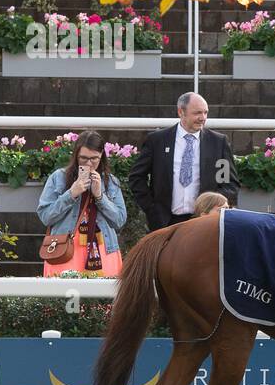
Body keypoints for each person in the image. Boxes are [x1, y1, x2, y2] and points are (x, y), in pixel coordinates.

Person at [128, 92, 240, 231]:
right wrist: (151, 208)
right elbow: (137, 177)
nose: (203, 118)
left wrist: (213, 209)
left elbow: (229, 183)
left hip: (203, 223)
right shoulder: (157, 140)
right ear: (181, 112)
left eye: (206, 113)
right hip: (164, 222)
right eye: (197, 113)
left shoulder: (218, 142)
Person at [37, 131, 128, 277]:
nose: (89, 163)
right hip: (65, 249)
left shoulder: (110, 181)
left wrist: (100, 196)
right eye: (83, 158)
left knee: (103, 299)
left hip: (104, 249)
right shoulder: (58, 177)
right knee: (64, 297)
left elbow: (120, 220)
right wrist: (71, 193)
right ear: (75, 156)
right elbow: (45, 216)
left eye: (94, 159)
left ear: (102, 157)